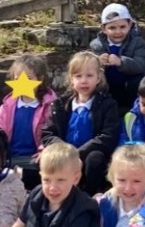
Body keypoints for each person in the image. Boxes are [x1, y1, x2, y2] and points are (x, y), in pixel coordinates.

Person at [41, 51, 120, 194]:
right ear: (71, 79)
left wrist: (77, 153)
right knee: (47, 157)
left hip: (89, 155)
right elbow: (48, 133)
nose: (84, 81)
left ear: (98, 78)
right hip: (64, 155)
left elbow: (108, 136)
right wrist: (64, 151)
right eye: (78, 76)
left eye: (89, 76)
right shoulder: (59, 105)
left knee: (95, 159)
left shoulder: (107, 105)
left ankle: (90, 196)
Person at [0, 52, 56, 190]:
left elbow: (52, 132)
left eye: (28, 78)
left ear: (40, 79)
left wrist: (45, 150)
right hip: (10, 157)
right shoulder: (7, 106)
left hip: (35, 159)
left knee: (29, 179)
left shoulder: (49, 106)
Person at [89, 3, 145, 112]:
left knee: (138, 81)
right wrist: (98, 62)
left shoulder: (137, 42)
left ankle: (135, 110)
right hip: (109, 87)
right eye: (112, 28)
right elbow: (87, 67)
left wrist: (121, 62)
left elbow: (141, 65)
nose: (118, 32)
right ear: (103, 29)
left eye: (122, 27)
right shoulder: (96, 45)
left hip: (131, 87)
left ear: (130, 25)